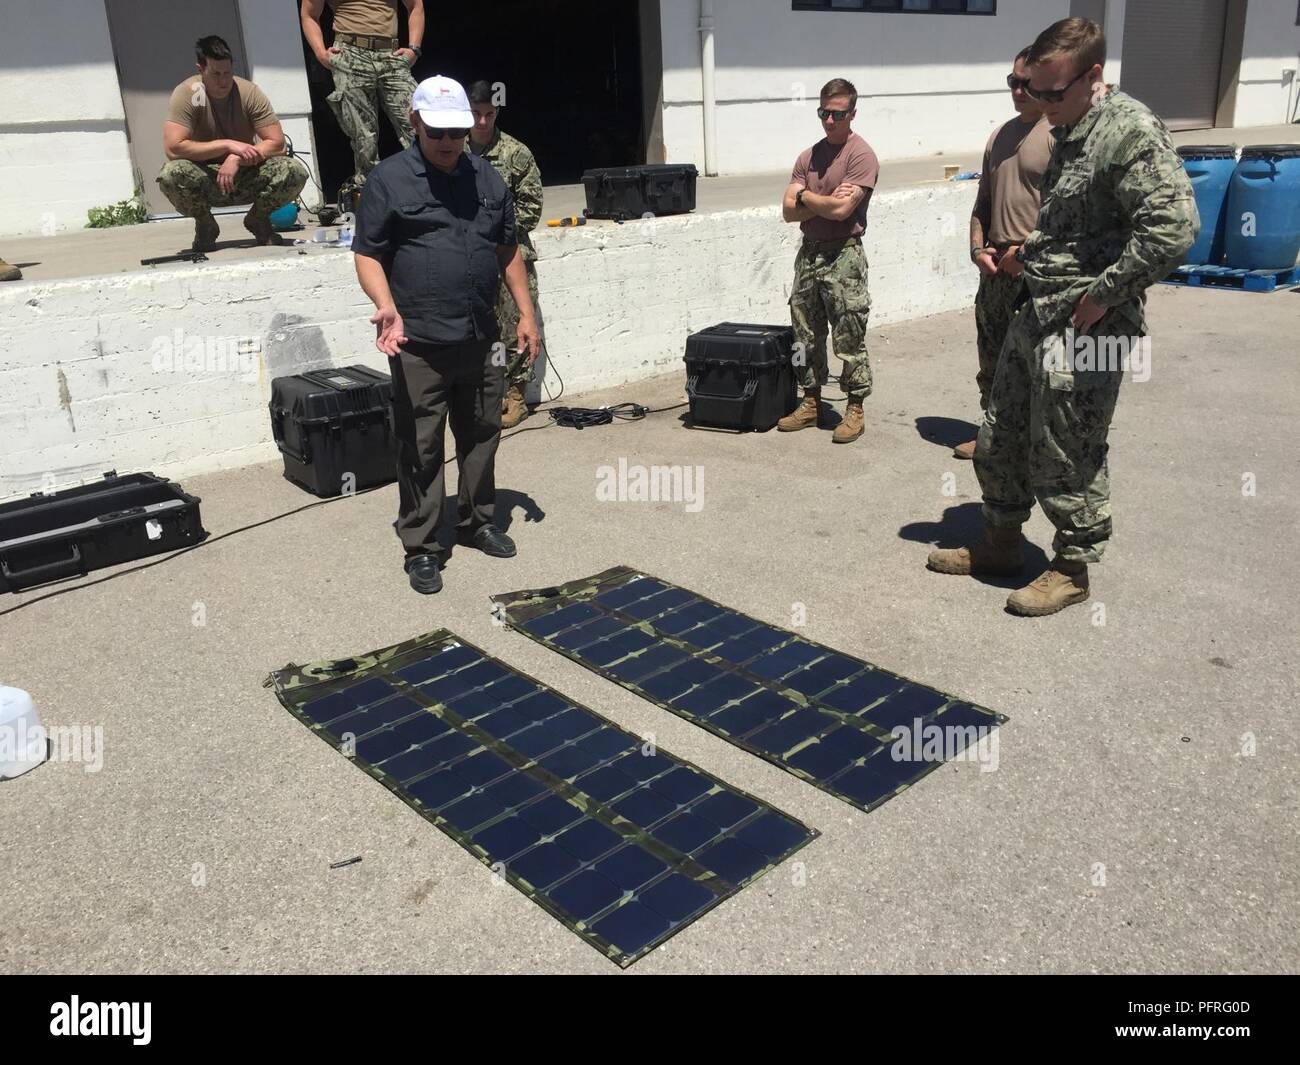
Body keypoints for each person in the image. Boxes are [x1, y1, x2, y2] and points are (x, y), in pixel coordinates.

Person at [927, 17, 1197, 616]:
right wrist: (1034, 252)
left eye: (1051, 91)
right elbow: (1076, 220)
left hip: (1088, 325)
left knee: (1068, 445)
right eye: (1031, 89)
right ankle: (1000, 542)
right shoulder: (1070, 127)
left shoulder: (1128, 130)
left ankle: (1072, 566)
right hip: (1038, 307)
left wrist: (1104, 293)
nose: (1040, 103)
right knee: (1001, 432)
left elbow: (1175, 228)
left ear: (1093, 75)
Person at [352, 76, 540, 595]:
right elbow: (367, 253)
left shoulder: (488, 180)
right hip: (419, 344)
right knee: (421, 444)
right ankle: (423, 544)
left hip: (481, 336)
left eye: (456, 131)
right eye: (436, 131)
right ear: (413, 122)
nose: (447, 142)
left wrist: (526, 314)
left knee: (482, 434)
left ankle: (476, 520)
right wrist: (385, 305)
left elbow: (507, 251)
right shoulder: (389, 180)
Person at [956, 47, 1053, 461]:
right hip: (995, 266)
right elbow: (983, 201)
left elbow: (1063, 213)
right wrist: (978, 248)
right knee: (991, 356)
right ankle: (993, 433)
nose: (1017, 89)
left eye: (1025, 82)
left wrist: (1026, 252)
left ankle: (1037, 443)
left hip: (1035, 271)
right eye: (1011, 81)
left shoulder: (1057, 135)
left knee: (1036, 363)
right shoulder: (999, 135)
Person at [780, 78, 880, 445]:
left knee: (849, 334)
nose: (830, 121)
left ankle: (855, 408)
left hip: (844, 255)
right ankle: (811, 402)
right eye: (824, 113)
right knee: (804, 333)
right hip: (809, 253)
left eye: (838, 114)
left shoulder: (861, 156)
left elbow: (841, 211)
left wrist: (806, 195)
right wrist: (813, 200)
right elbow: (788, 212)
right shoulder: (808, 156)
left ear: (852, 113)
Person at [158, 36, 309, 250]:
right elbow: (173, 148)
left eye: (227, 73)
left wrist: (237, 157)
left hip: (245, 174)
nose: (223, 81)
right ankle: (205, 224)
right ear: (200, 69)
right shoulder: (188, 94)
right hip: (205, 177)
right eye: (216, 74)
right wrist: (227, 145)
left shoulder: (249, 92)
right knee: (170, 174)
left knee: (293, 171)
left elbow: (278, 144)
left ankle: (258, 219)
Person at [466, 81, 545, 429]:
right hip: (469, 256)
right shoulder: (453, 149)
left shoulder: (516, 153)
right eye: (476, 114)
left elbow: (531, 206)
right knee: (479, 328)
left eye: (489, 114)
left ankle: (514, 394)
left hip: (511, 254)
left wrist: (495, 232)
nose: (483, 122)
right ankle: (482, 393)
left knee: (515, 328)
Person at [300, 0, 423, 198]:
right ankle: (373, 200)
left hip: (390, 53)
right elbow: (309, 14)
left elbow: (415, 5)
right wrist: (321, 53)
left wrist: (414, 48)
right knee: (363, 137)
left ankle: (434, 187)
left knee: (419, 122)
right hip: (349, 52)